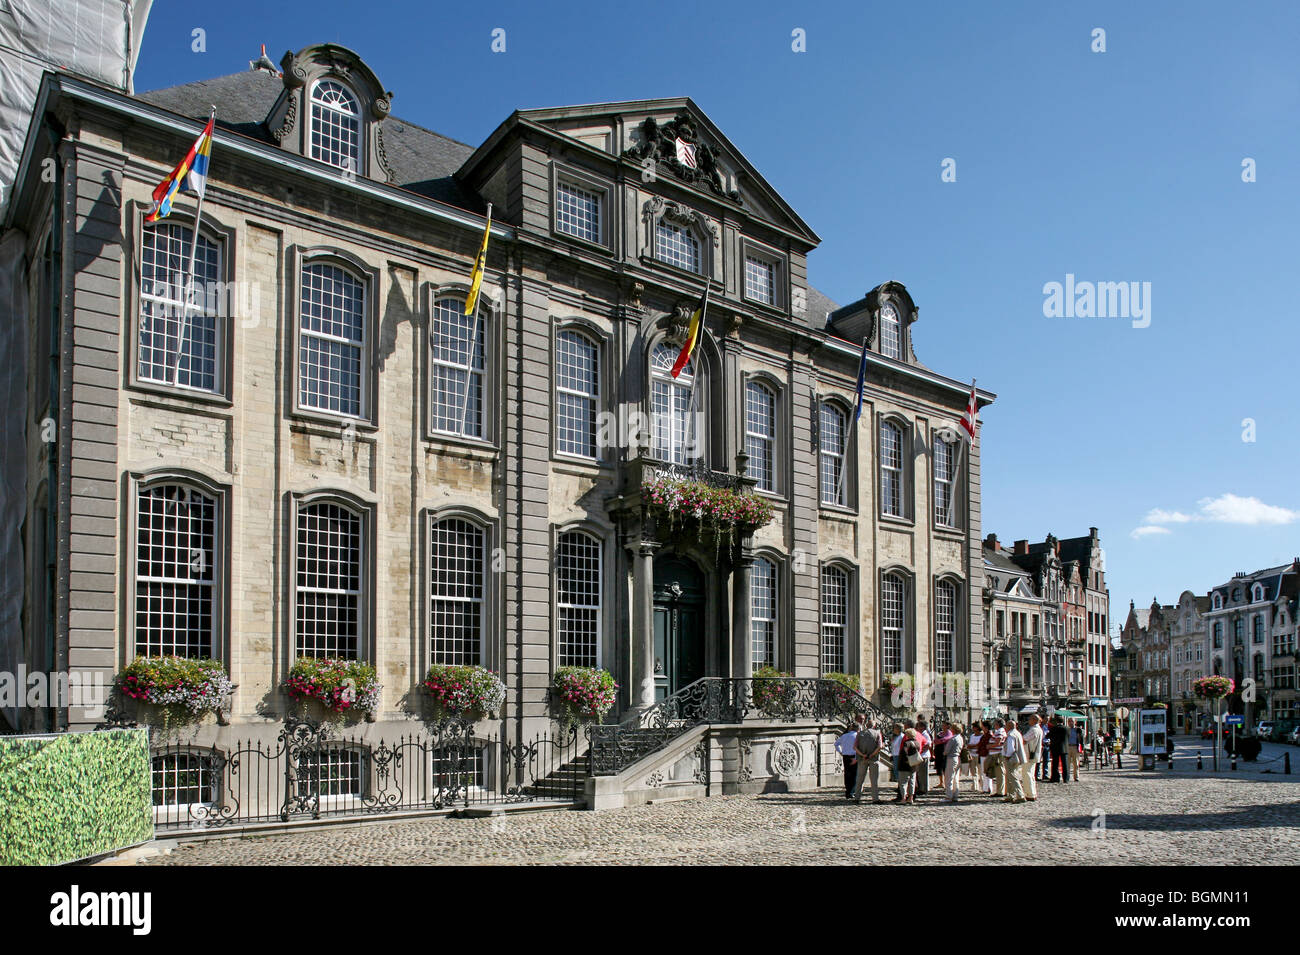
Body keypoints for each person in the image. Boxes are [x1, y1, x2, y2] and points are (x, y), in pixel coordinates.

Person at [853, 717, 885, 804]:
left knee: (860, 779)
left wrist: (862, 754)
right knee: (874, 779)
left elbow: (855, 747)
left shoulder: (860, 734)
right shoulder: (877, 734)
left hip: (862, 758)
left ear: (866, 725)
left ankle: (857, 797)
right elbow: (879, 746)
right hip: (873, 758)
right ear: (874, 726)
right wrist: (872, 754)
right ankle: (875, 798)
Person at [1002, 719, 1027, 803]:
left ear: (1009, 726)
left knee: (1013, 777)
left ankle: (1020, 795)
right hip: (1018, 758)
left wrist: (1007, 756)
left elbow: (1011, 748)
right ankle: (1011, 795)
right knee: (1011, 777)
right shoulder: (1017, 733)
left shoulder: (1011, 735)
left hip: (1012, 758)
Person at [835, 719, 860, 799]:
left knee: (847, 774)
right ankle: (852, 791)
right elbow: (858, 748)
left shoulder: (844, 736)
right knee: (854, 774)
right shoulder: (858, 736)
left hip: (845, 756)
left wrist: (840, 751)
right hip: (854, 755)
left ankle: (848, 791)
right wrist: (856, 758)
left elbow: (836, 744)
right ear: (858, 729)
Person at [896, 728, 921, 804]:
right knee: (912, 782)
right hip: (914, 765)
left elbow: (904, 753)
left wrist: (905, 760)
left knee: (903, 782)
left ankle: (903, 798)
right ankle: (911, 798)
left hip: (905, 765)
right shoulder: (917, 743)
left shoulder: (906, 743)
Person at [1021, 714, 1042, 801]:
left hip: (1029, 754)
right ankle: (1032, 792)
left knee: (1027, 774)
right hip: (1033, 754)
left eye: (1030, 719)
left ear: (1034, 720)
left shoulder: (1034, 730)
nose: (1028, 721)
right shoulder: (1038, 729)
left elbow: (1024, 739)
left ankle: (1030, 794)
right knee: (1030, 774)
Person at [943, 722, 965, 802]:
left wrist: (944, 752)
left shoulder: (953, 739)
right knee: (956, 778)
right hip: (958, 757)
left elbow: (946, 751)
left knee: (949, 778)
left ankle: (948, 796)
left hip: (951, 758)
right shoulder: (960, 738)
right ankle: (955, 795)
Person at [986, 719, 1007, 796]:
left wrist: (989, 746)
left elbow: (998, 743)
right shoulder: (999, 731)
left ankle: (1000, 791)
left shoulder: (1000, 731)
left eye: (995, 723)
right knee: (999, 773)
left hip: (998, 754)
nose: (994, 725)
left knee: (1000, 773)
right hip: (996, 753)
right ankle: (1001, 790)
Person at [1048, 716, 1069, 782]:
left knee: (1055, 764)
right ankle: (1066, 778)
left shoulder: (1053, 728)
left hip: (1055, 748)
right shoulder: (1067, 728)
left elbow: (1048, 736)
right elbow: (1068, 736)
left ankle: (1055, 778)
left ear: (1056, 721)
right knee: (1065, 764)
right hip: (1064, 748)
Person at [915, 718, 933, 796]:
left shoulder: (925, 735)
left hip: (924, 756)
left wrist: (921, 751)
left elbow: (928, 745)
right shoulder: (921, 734)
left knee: (923, 774)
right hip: (921, 756)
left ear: (922, 727)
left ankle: (924, 789)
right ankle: (920, 788)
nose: (917, 728)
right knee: (919, 774)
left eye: (919, 726)